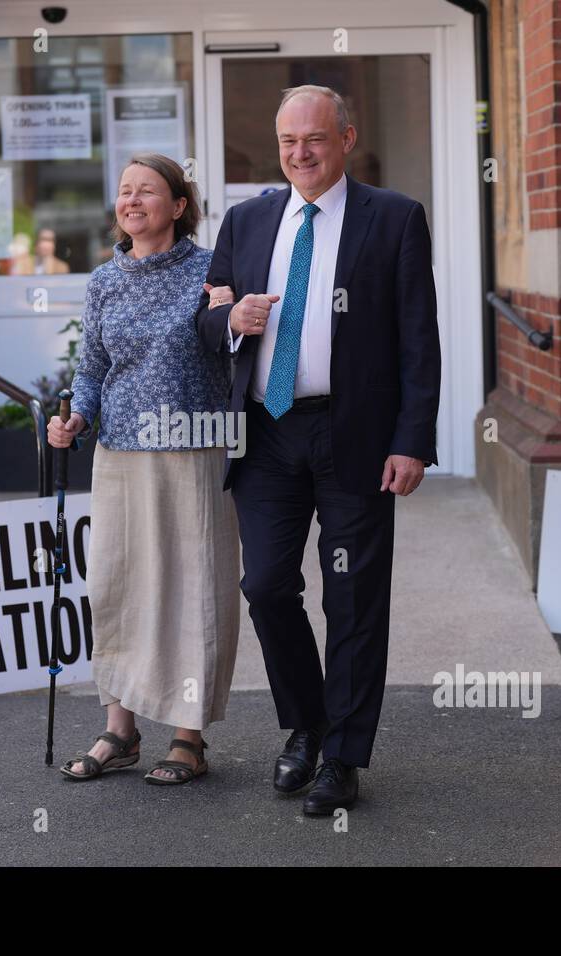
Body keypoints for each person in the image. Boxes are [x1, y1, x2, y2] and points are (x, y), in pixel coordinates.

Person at [195, 85, 441, 814]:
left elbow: (418, 340)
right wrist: (231, 319)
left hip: (355, 435)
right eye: (288, 143)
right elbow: (206, 325)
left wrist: (413, 441)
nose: (301, 153)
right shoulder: (246, 221)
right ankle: (307, 721)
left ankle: (343, 757)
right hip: (268, 433)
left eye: (315, 139)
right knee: (267, 585)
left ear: (346, 139)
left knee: (354, 597)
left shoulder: (393, 219)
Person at [48, 153, 240, 785]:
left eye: (147, 191)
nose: (132, 200)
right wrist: (76, 417)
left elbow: (235, 344)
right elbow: (93, 368)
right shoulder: (104, 280)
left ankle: (189, 737)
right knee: (118, 585)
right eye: (124, 192)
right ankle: (119, 730)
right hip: (121, 452)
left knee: (194, 587)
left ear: (179, 206)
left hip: (194, 445)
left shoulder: (213, 268)